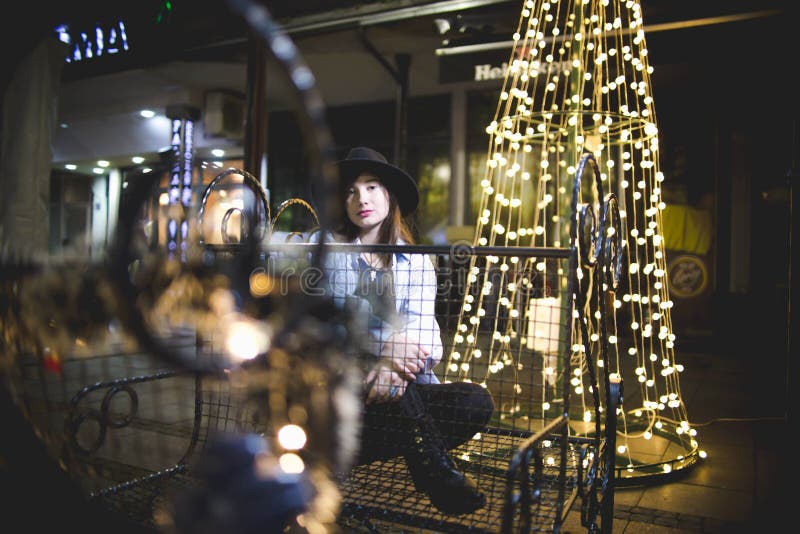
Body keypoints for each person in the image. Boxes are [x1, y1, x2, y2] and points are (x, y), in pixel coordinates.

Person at [316, 146, 494, 516]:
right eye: (350, 191)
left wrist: (392, 363)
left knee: (475, 401)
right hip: (345, 391)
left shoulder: (414, 260)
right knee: (404, 387)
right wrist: (386, 348)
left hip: (390, 401)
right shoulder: (331, 255)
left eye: (371, 187)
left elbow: (427, 333)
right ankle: (435, 472)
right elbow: (334, 328)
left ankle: (350, 452)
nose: (360, 199)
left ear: (388, 195)